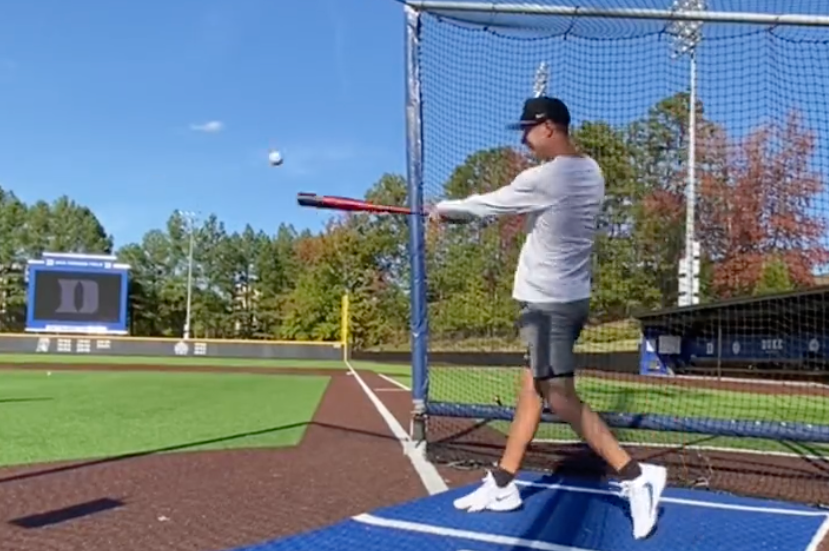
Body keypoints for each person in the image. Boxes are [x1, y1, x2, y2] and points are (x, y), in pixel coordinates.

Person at [427, 95, 667, 540]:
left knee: (558, 395)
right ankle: (504, 483)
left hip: (546, 306)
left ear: (549, 127)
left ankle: (635, 476)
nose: (524, 139)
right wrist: (457, 212)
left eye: (528, 129)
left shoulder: (548, 177)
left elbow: (488, 205)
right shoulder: (591, 170)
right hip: (571, 301)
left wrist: (443, 209)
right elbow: (499, 206)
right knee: (531, 391)